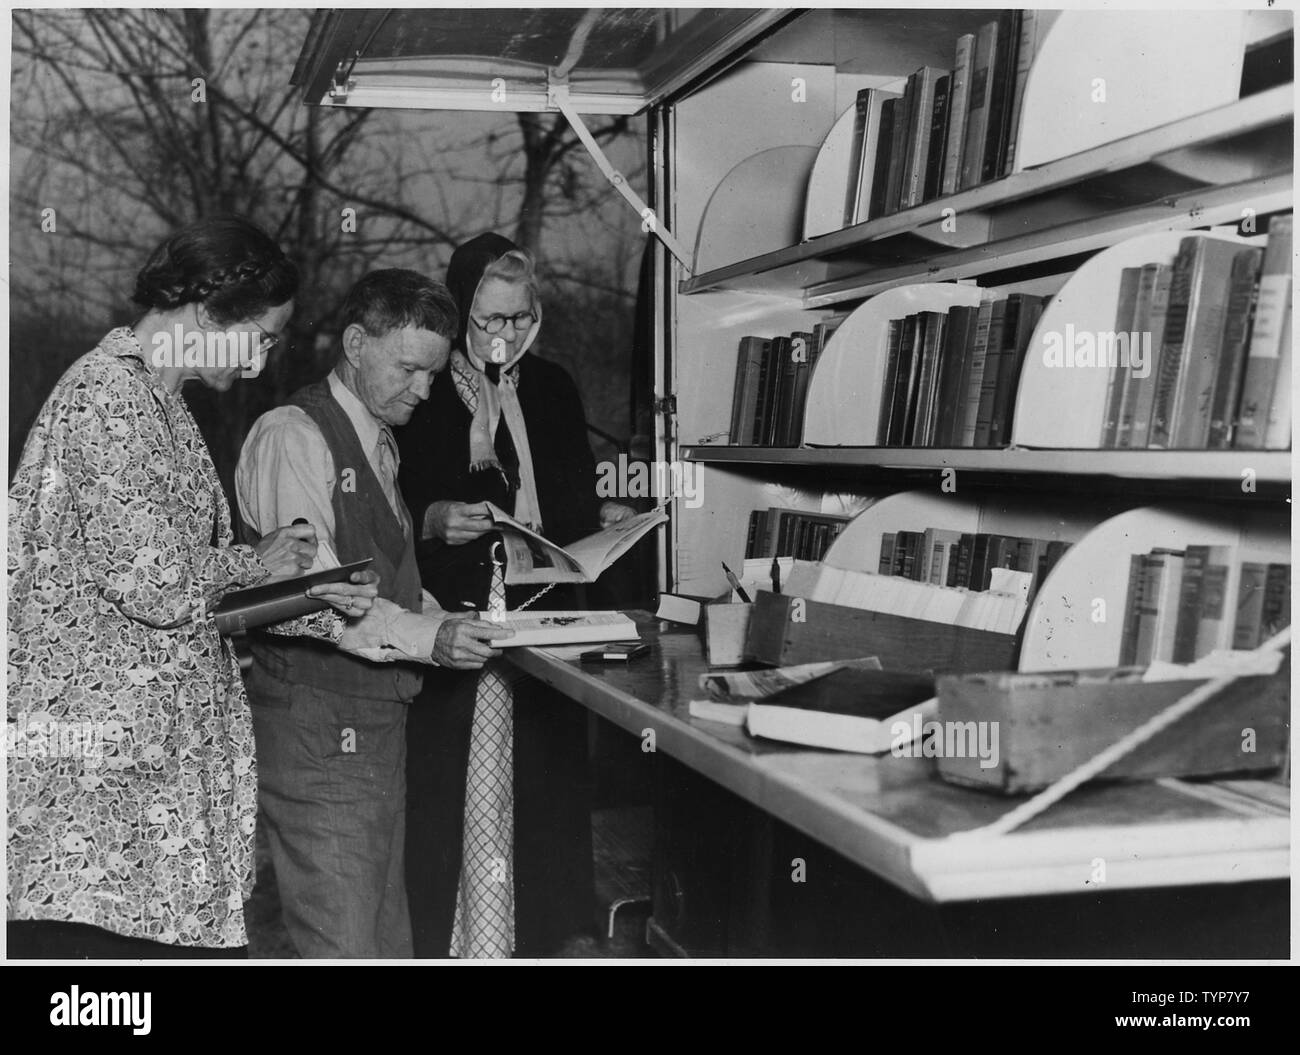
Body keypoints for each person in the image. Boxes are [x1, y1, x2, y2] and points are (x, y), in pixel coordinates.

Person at [6, 216, 378, 958]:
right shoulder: (106, 394)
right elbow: (153, 581)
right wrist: (257, 560)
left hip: (153, 811)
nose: (267, 357)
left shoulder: (163, 404)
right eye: (265, 335)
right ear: (209, 313)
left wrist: (313, 600)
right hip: (99, 820)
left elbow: (193, 597)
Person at [235, 268, 510, 958]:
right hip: (317, 733)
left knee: (386, 940)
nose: (423, 389)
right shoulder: (292, 435)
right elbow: (322, 598)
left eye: (434, 374)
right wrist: (432, 636)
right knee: (344, 943)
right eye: (411, 368)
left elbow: (383, 576)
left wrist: (449, 617)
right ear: (356, 343)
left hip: (376, 730)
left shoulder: (380, 439)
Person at [397, 233, 636, 958]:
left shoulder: (556, 387)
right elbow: (392, 506)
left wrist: (602, 518)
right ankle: (463, 945)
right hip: (465, 609)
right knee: (463, 786)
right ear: (460, 314)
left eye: (518, 319)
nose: (504, 336)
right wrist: (435, 519)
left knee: (549, 782)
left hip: (551, 607)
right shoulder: (428, 390)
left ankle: (554, 938)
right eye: (488, 321)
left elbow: (566, 494)